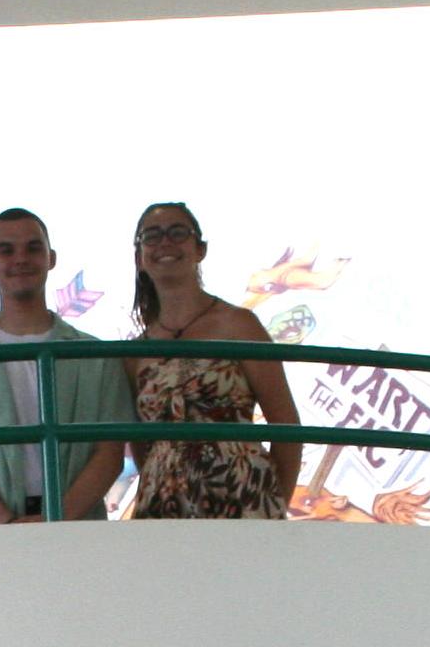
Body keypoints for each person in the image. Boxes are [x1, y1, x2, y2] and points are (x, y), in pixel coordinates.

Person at [0, 208, 130, 526]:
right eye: (6, 250)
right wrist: (8, 526)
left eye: (33, 248)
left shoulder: (98, 357)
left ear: (51, 258)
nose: (20, 259)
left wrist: (55, 522)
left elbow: (109, 456)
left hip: (78, 533)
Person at [126, 203, 300, 519]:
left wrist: (273, 506)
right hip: (162, 504)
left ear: (200, 249)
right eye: (152, 236)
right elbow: (140, 444)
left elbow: (286, 425)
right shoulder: (133, 353)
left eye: (178, 232)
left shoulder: (240, 326)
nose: (165, 242)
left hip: (243, 496)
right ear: (139, 257)